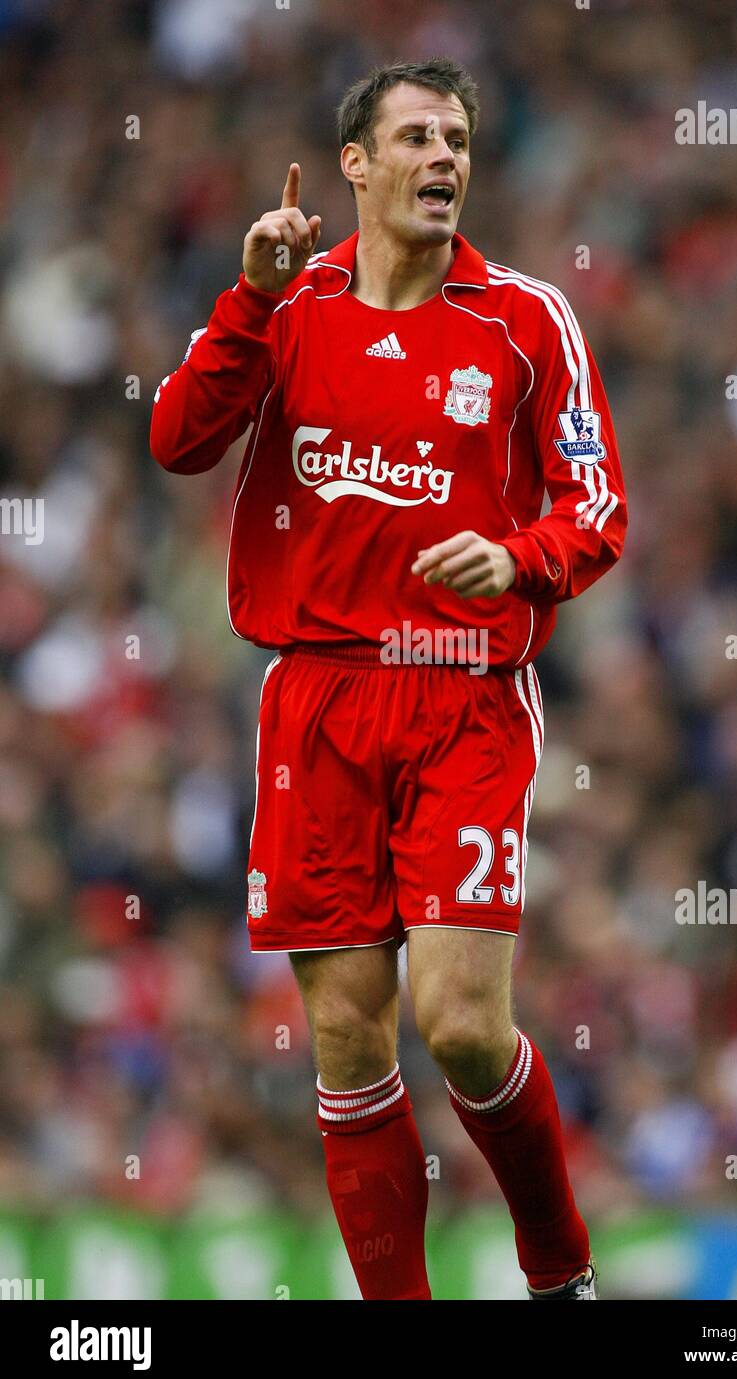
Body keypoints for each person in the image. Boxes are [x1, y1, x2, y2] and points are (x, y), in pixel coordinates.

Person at [151, 57, 627, 1301]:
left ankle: (559, 1273)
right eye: (415, 136)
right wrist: (244, 302)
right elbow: (179, 440)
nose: (443, 158)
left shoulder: (523, 321)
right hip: (312, 697)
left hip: (463, 691)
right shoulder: (290, 305)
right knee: (351, 1037)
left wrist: (518, 559)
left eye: (458, 137)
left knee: (462, 1024)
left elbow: (598, 509)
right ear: (353, 164)